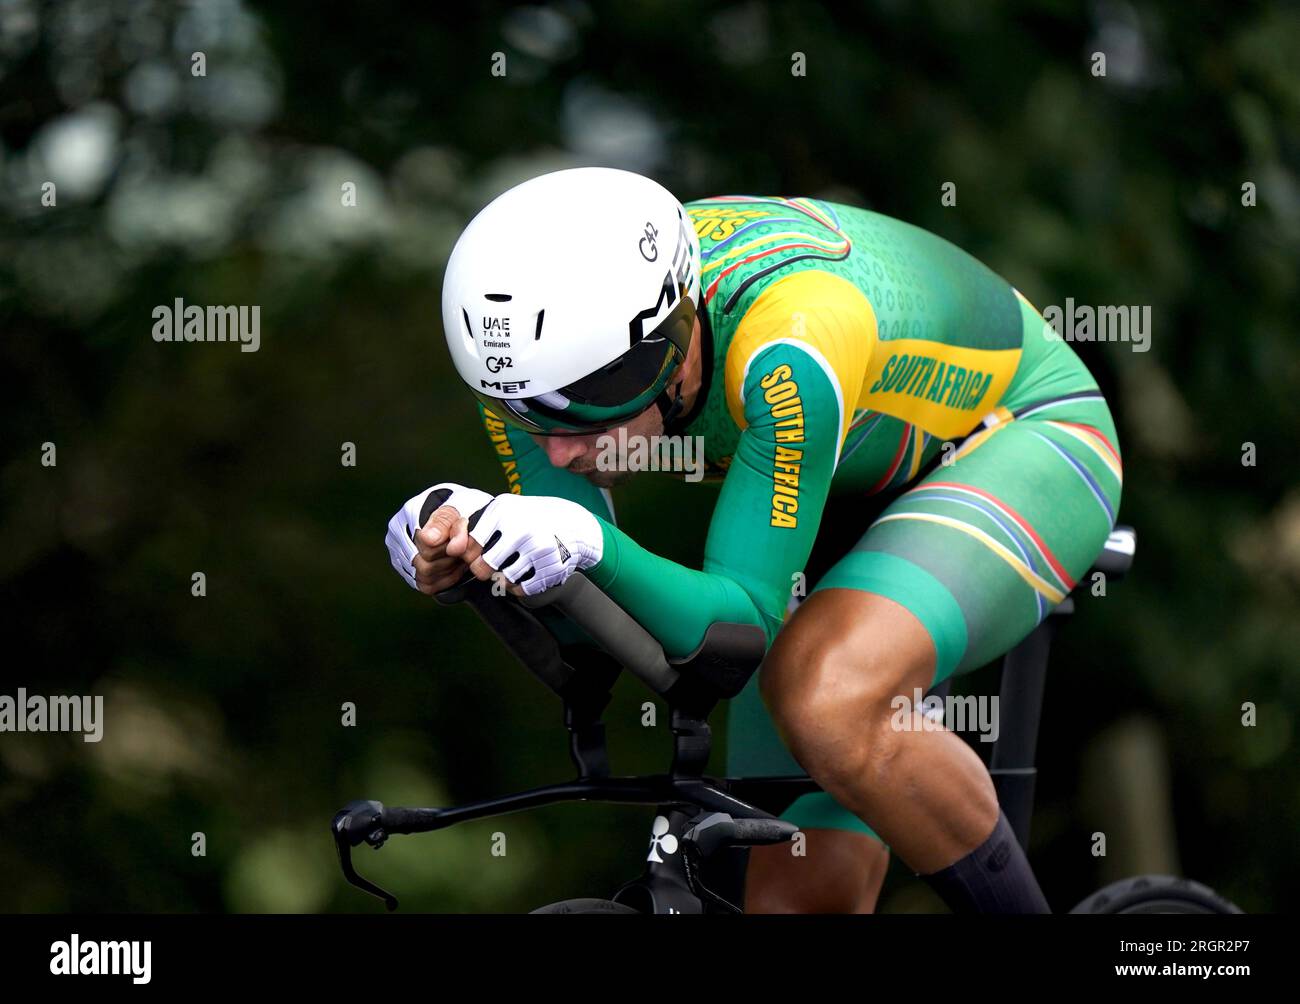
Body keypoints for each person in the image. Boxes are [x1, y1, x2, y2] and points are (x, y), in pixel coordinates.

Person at [385, 167, 1123, 913]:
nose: (559, 453)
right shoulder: (533, 370)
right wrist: (473, 555)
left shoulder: (789, 345)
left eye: (583, 411)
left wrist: (586, 543)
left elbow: (731, 634)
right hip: (842, 476)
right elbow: (592, 625)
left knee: (826, 698)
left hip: (1021, 439)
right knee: (792, 898)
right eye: (522, 413)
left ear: (665, 345)